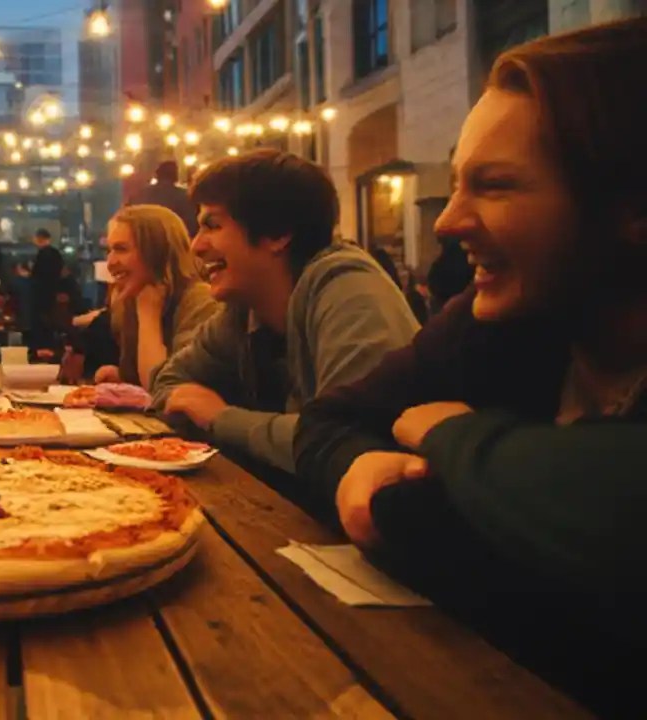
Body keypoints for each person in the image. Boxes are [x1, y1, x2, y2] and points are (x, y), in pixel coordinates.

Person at [293, 19, 647, 712]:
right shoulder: (497, 322)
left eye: (496, 186)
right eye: (457, 184)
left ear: (633, 207)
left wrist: (449, 441)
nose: (448, 223)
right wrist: (362, 471)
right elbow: (329, 423)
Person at [151, 149, 419, 473]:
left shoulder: (351, 293)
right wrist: (193, 403)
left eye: (213, 225)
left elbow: (350, 443)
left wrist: (220, 418)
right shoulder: (242, 312)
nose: (196, 245)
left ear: (277, 234)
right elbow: (168, 380)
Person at [92, 205, 218, 389]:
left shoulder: (202, 302)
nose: (111, 263)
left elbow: (166, 391)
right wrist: (124, 379)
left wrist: (148, 315)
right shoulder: (132, 299)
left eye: (121, 249)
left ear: (158, 252)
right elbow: (147, 386)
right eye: (109, 250)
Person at [130, 160, 199, 236]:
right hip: (173, 240)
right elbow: (192, 224)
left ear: (157, 174)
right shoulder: (185, 196)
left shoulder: (140, 194)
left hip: (141, 239)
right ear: (176, 176)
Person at [29, 228, 64, 348]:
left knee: (40, 322)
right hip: (52, 292)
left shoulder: (42, 254)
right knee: (49, 321)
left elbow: (37, 274)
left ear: (40, 238)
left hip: (41, 294)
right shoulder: (56, 253)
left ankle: (40, 346)